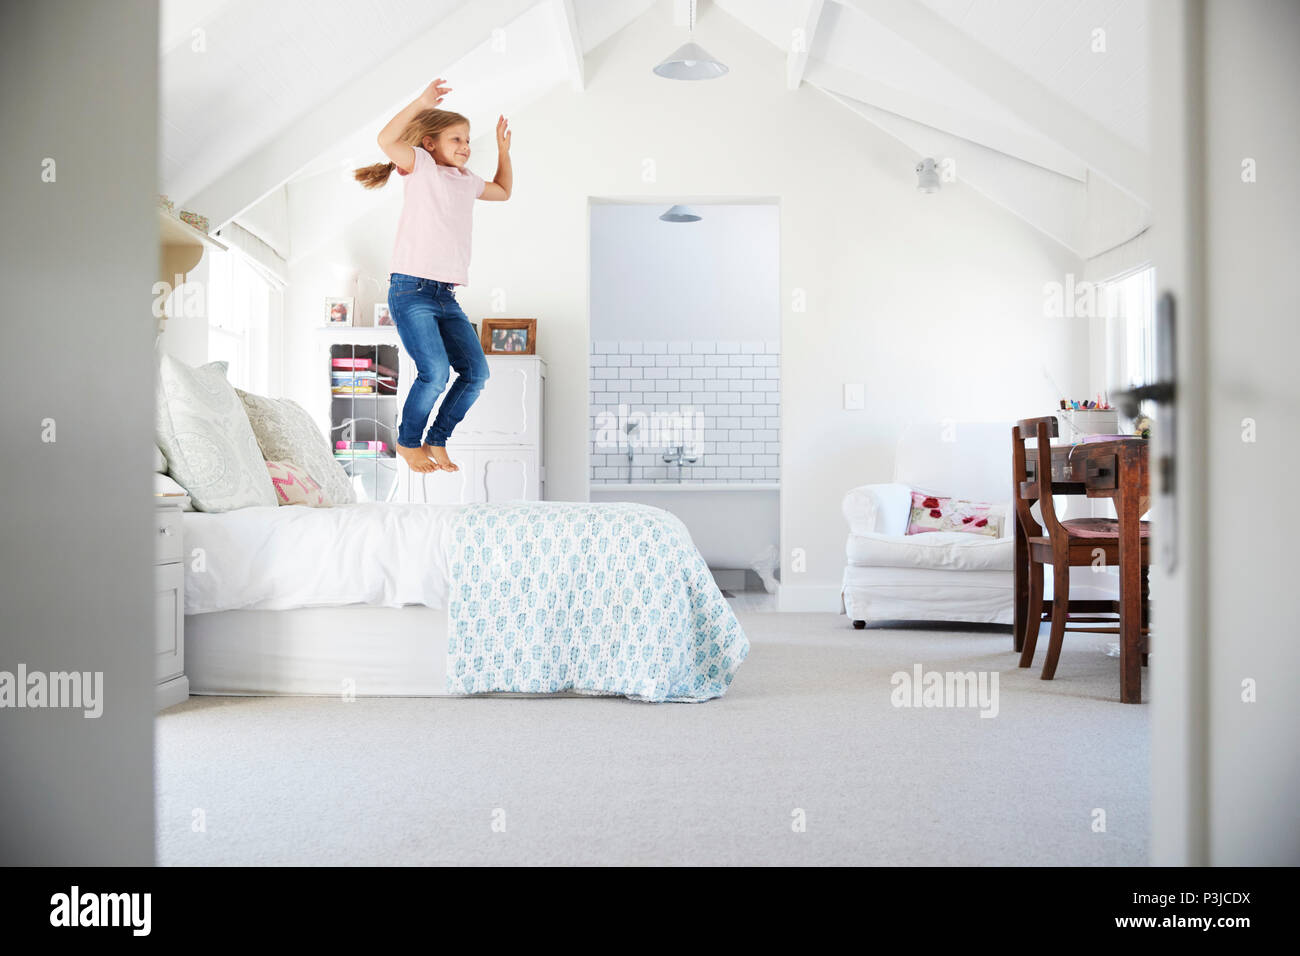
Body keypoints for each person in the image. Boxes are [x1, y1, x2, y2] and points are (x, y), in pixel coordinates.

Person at [355, 78, 512, 473]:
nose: (465, 146)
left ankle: (436, 438)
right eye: (456, 139)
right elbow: (385, 139)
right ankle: (408, 442)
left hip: (446, 296)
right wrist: (421, 102)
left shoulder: (467, 181)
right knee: (436, 372)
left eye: (468, 140)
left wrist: (504, 152)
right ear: (429, 143)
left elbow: (503, 192)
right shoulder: (421, 167)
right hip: (410, 290)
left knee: (476, 373)